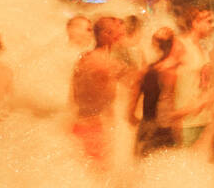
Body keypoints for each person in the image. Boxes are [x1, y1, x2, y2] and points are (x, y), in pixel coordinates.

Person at [70, 17, 132, 169]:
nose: (121, 36)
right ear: (106, 35)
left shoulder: (84, 58)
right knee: (97, 175)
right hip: (93, 130)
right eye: (118, 33)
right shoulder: (106, 64)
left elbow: (72, 96)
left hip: (80, 124)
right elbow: (135, 82)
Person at [128, 27, 178, 157]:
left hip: (151, 123)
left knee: (144, 162)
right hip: (162, 124)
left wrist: (131, 112)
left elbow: (136, 90)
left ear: (155, 44)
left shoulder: (151, 69)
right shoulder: (169, 69)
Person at [171, 7, 214, 151]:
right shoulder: (180, 44)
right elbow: (165, 78)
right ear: (195, 23)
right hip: (185, 120)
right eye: (208, 21)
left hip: (202, 117)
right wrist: (172, 115)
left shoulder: (201, 47)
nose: (212, 26)